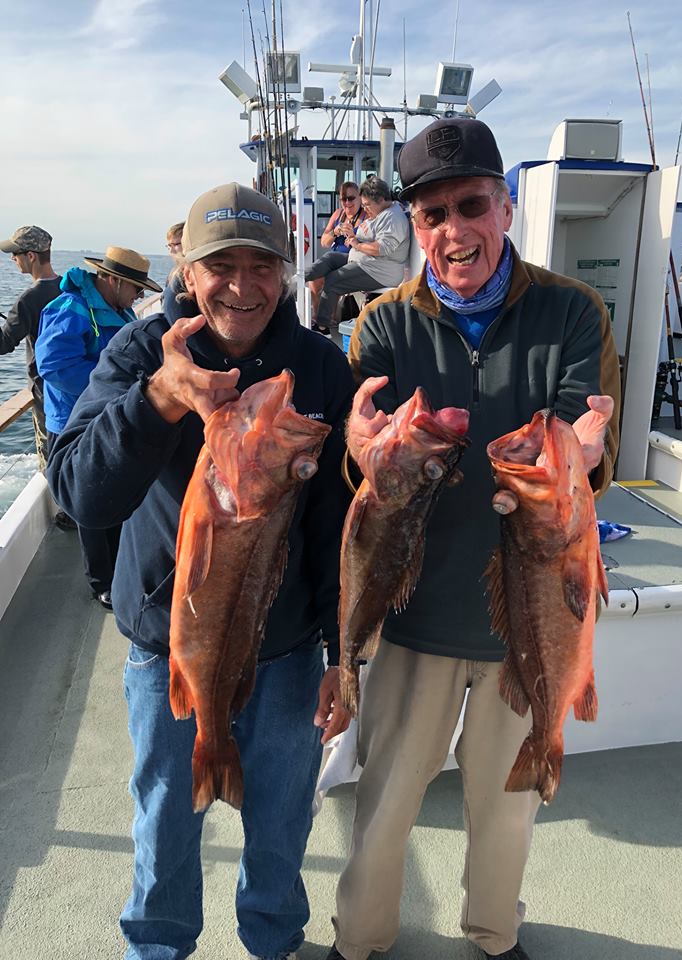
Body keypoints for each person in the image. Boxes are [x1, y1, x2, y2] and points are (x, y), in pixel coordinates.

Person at [325, 117, 621, 960]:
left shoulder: (572, 312)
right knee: (384, 802)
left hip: (523, 626)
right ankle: (360, 941)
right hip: (414, 621)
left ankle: (495, 937)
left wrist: (589, 457)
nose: (455, 231)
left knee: (507, 808)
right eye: (432, 215)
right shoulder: (381, 325)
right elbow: (367, 499)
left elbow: (582, 447)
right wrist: (361, 457)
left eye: (471, 205)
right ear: (414, 227)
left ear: (507, 207)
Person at [45, 182, 354, 960]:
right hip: (166, 647)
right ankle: (157, 947)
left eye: (263, 265)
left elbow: (332, 529)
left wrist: (342, 654)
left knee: (283, 818)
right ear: (187, 269)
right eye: (223, 265)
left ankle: (274, 941)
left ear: (286, 273)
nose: (243, 286)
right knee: (164, 815)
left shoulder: (320, 366)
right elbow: (79, 490)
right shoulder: (143, 350)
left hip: (284, 651)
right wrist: (157, 400)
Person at [36, 247, 162, 609]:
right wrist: (109, 393)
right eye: (136, 288)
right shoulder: (69, 309)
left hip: (115, 419)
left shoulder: (118, 311)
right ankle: (101, 581)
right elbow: (55, 365)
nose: (140, 296)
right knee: (90, 506)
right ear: (113, 280)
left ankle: (119, 570)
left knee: (118, 495)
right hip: (76, 423)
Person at [305, 177, 409, 337]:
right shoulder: (380, 212)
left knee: (333, 280)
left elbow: (381, 248)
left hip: (379, 271)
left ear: (381, 199)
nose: (365, 208)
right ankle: (297, 279)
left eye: (367, 205)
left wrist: (356, 244)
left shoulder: (393, 218)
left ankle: (322, 328)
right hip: (363, 261)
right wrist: (353, 237)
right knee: (330, 258)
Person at [0, 225, 61, 472]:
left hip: (44, 390)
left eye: (16, 253)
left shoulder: (28, 299)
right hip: (69, 388)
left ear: (31, 256)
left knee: (50, 454)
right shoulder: (67, 287)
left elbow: (3, 344)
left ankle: (63, 509)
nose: (13, 258)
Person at [307, 183, 367, 333]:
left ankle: (327, 320)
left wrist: (354, 237)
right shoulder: (338, 214)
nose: (347, 203)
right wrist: (335, 231)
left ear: (360, 197)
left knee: (333, 277)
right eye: (343, 199)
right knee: (314, 281)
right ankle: (319, 316)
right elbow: (324, 242)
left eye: (351, 198)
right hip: (333, 259)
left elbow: (372, 243)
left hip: (353, 259)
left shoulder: (367, 216)